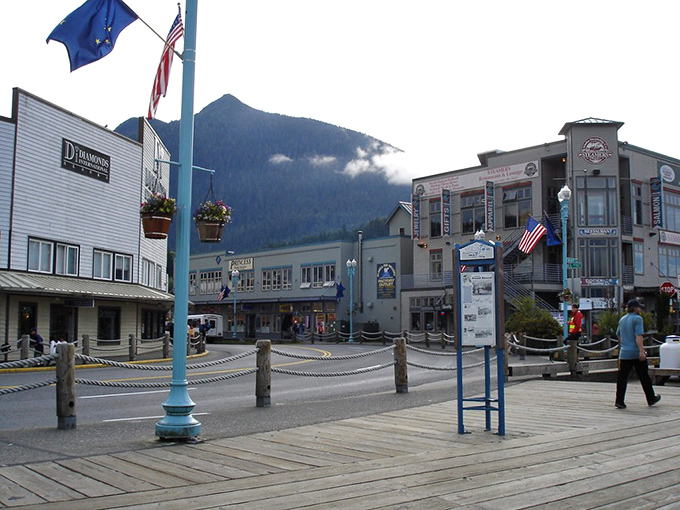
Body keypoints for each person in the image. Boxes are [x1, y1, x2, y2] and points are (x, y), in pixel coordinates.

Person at [615, 299, 661, 409]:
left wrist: (624, 344)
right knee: (644, 376)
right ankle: (651, 398)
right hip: (635, 352)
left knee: (622, 377)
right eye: (639, 307)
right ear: (634, 308)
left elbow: (618, 334)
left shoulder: (622, 319)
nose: (640, 309)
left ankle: (619, 400)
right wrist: (641, 351)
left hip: (624, 353)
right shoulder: (637, 319)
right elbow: (638, 336)